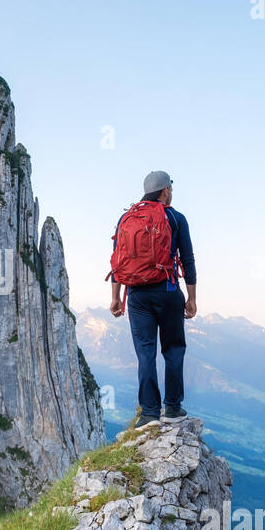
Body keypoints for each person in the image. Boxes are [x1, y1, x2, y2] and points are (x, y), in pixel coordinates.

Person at [108, 170, 197, 427]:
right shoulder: (176, 218)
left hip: (136, 295)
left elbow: (118, 260)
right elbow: (188, 260)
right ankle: (172, 408)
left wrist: (116, 297)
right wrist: (191, 297)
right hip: (167, 292)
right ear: (166, 190)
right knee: (173, 349)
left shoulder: (126, 218)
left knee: (145, 352)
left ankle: (148, 413)